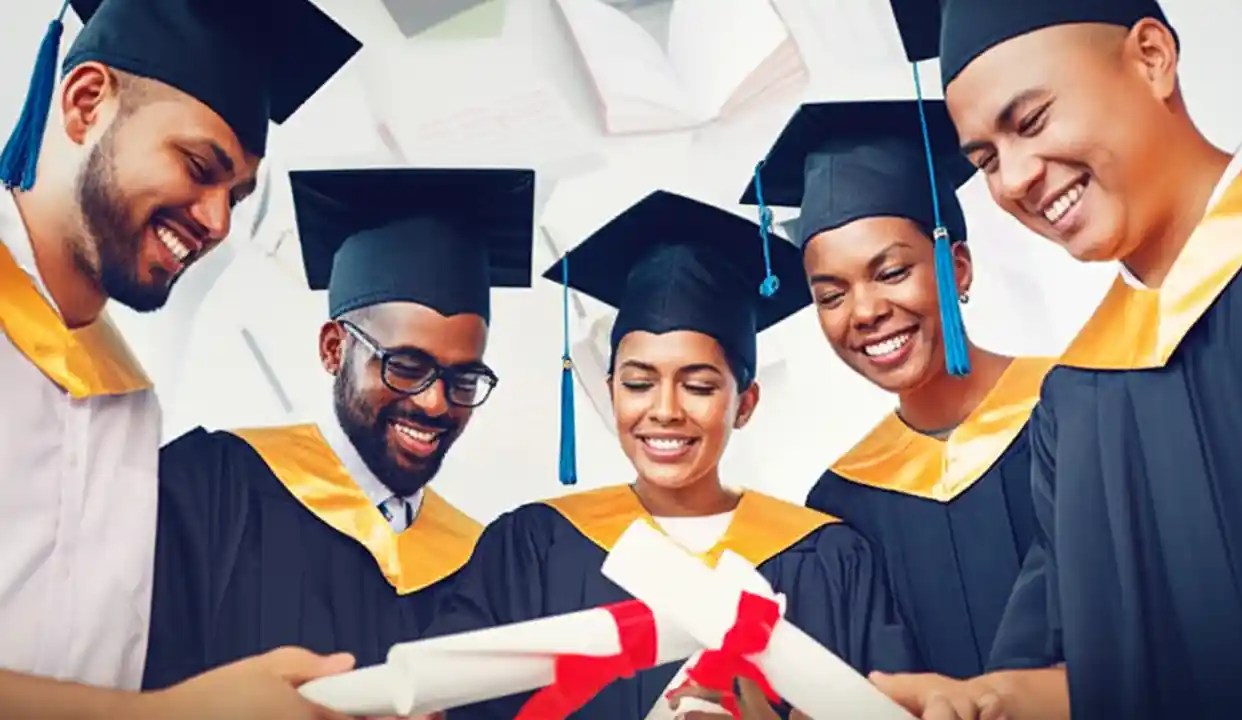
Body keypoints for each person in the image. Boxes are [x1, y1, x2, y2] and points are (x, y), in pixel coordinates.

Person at [872, 0, 1242, 718]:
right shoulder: (1080, 400)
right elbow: (1098, 675)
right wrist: (980, 700)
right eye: (986, 159)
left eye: (1030, 122)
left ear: (1152, 57)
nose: (1015, 178)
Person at [424, 190, 918, 719]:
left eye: (700, 387)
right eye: (638, 383)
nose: (664, 410)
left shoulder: (831, 560)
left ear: (745, 403)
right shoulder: (532, 549)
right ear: (611, 388)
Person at [0, 0, 360, 714]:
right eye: (199, 166)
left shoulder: (131, 406)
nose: (217, 221)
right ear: (84, 103)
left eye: (238, 196)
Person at [143, 168, 536, 688]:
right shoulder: (208, 489)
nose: (436, 402)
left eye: (464, 378)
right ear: (334, 349)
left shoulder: (482, 565)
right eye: (406, 366)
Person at [748, 98, 1053, 679]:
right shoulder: (843, 506)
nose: (864, 311)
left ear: (957, 267)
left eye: (891, 272)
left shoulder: (1075, 409)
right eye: (831, 295)